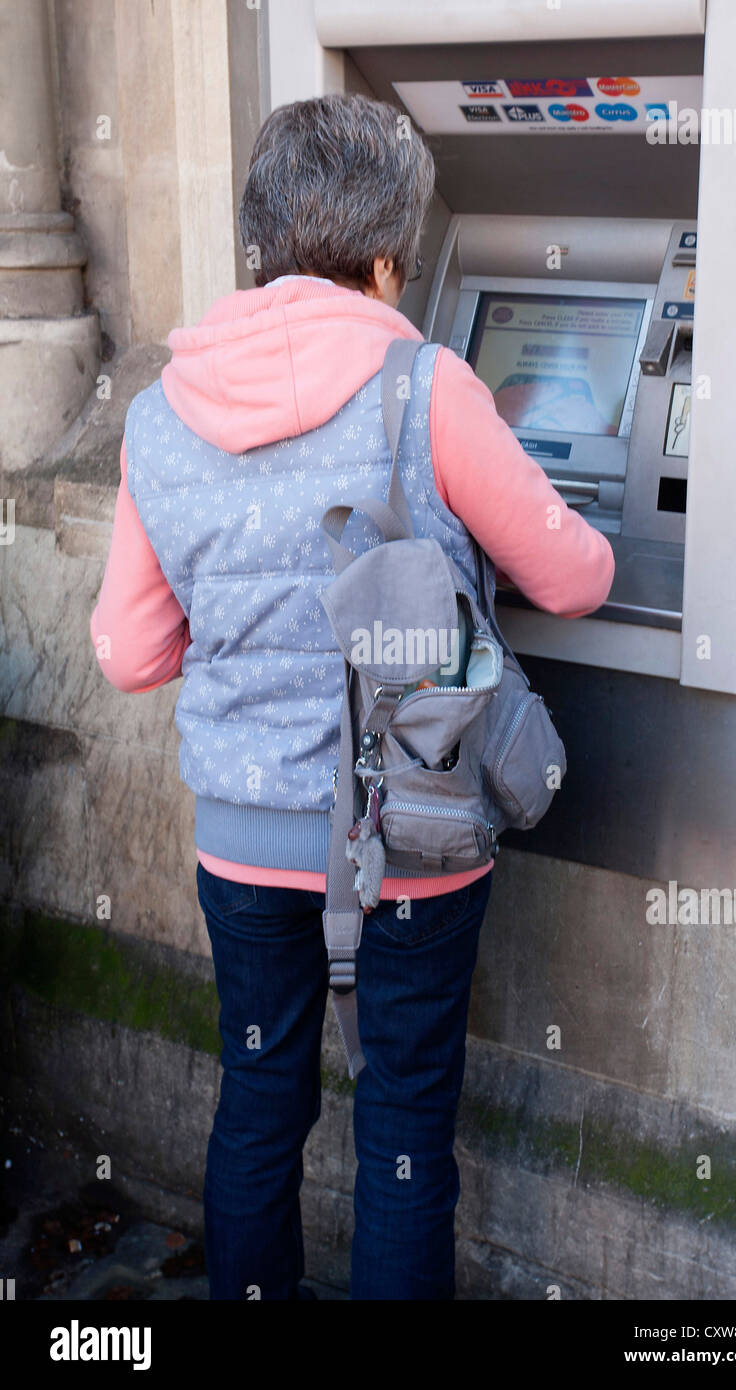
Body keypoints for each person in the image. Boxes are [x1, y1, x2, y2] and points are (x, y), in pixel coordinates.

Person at [89, 92, 614, 1301]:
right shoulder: (424, 386)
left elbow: (126, 649)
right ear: (384, 258)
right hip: (412, 838)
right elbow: (574, 576)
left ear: (261, 240)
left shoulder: (160, 413)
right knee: (401, 1130)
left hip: (242, 847)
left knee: (258, 1105)